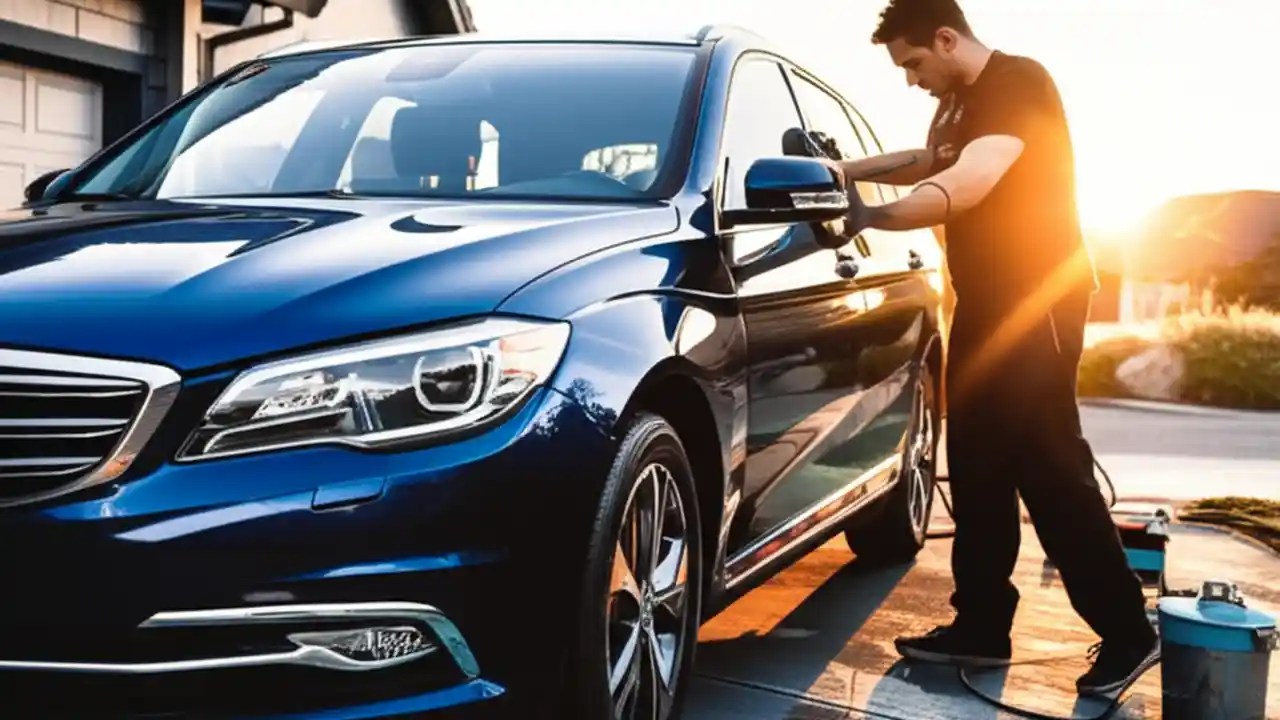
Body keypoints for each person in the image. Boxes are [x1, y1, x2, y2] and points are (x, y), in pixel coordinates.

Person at [834, 0, 1160, 697]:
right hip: (982, 304)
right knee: (976, 463)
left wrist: (870, 216)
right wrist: (847, 173)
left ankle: (1130, 632)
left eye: (915, 63)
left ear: (947, 38)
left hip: (1036, 302)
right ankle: (980, 628)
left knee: (1049, 467)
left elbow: (966, 182)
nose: (912, 80)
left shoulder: (1018, 84)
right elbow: (928, 158)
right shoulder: (956, 102)